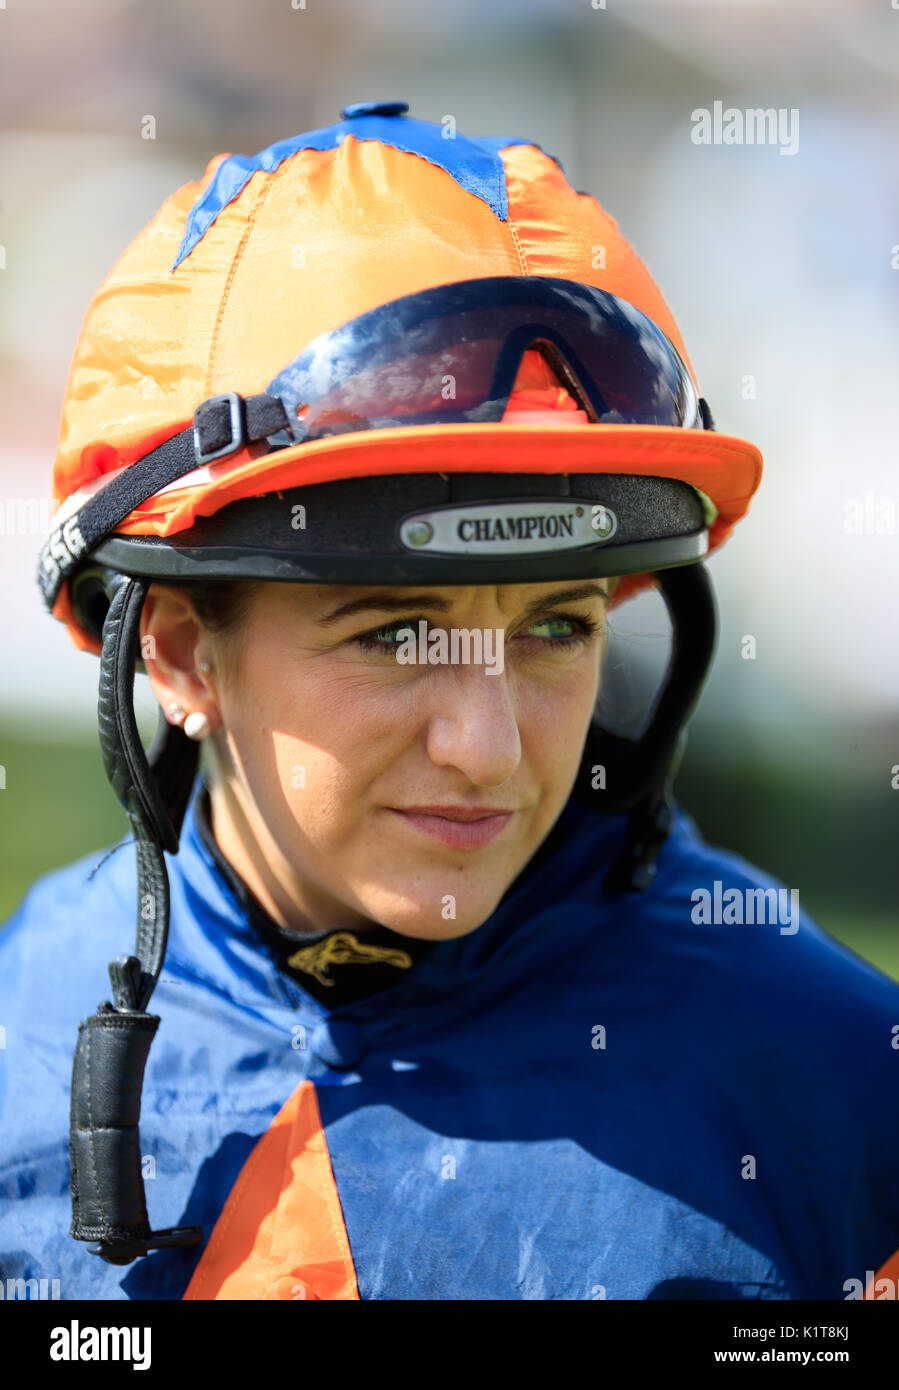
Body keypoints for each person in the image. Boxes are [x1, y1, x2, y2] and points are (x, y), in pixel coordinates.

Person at [1, 101, 897, 1302]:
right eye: (390, 634)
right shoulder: (17, 1029)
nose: (485, 747)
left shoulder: (839, 1086)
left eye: (555, 628)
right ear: (176, 656)